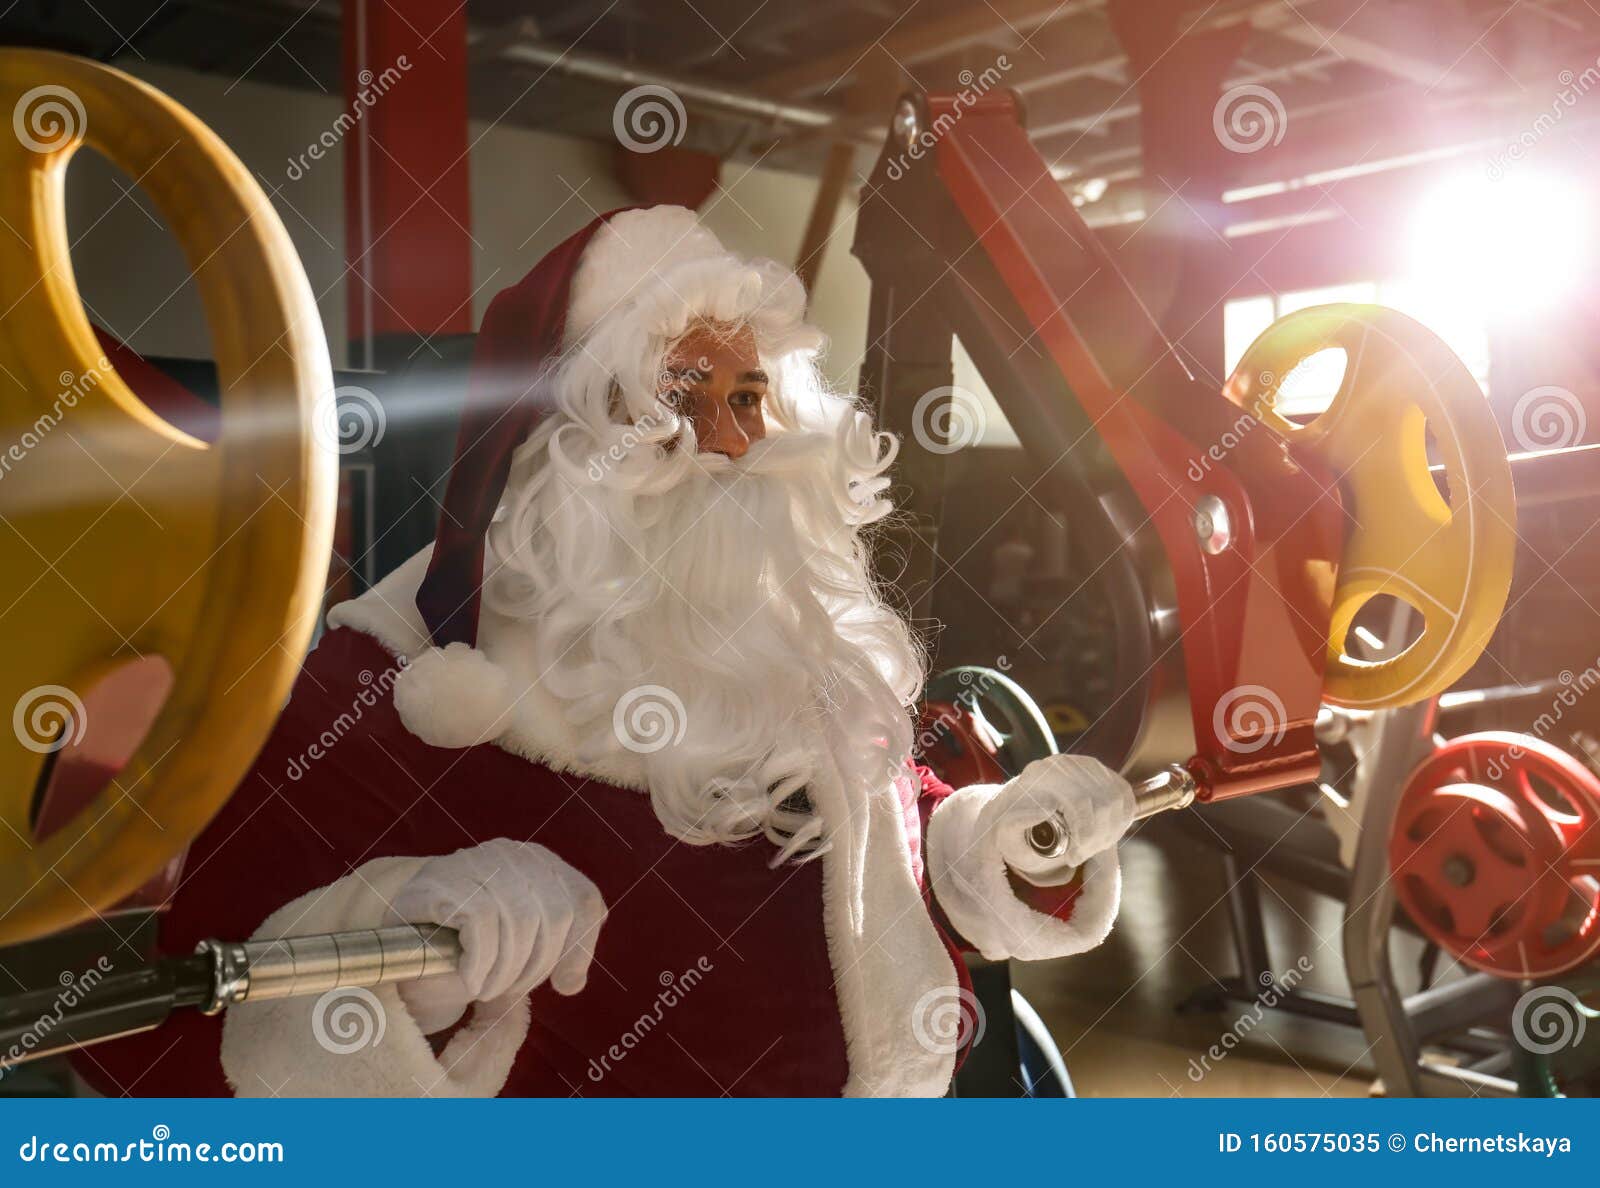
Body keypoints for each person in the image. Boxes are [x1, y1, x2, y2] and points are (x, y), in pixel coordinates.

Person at [82, 205, 1134, 1098]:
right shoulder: (387, 689)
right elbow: (211, 991)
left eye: (747, 396)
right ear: (569, 442)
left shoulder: (805, 658)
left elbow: (885, 863)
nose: (729, 443)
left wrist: (995, 843)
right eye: (678, 397)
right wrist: (404, 935)